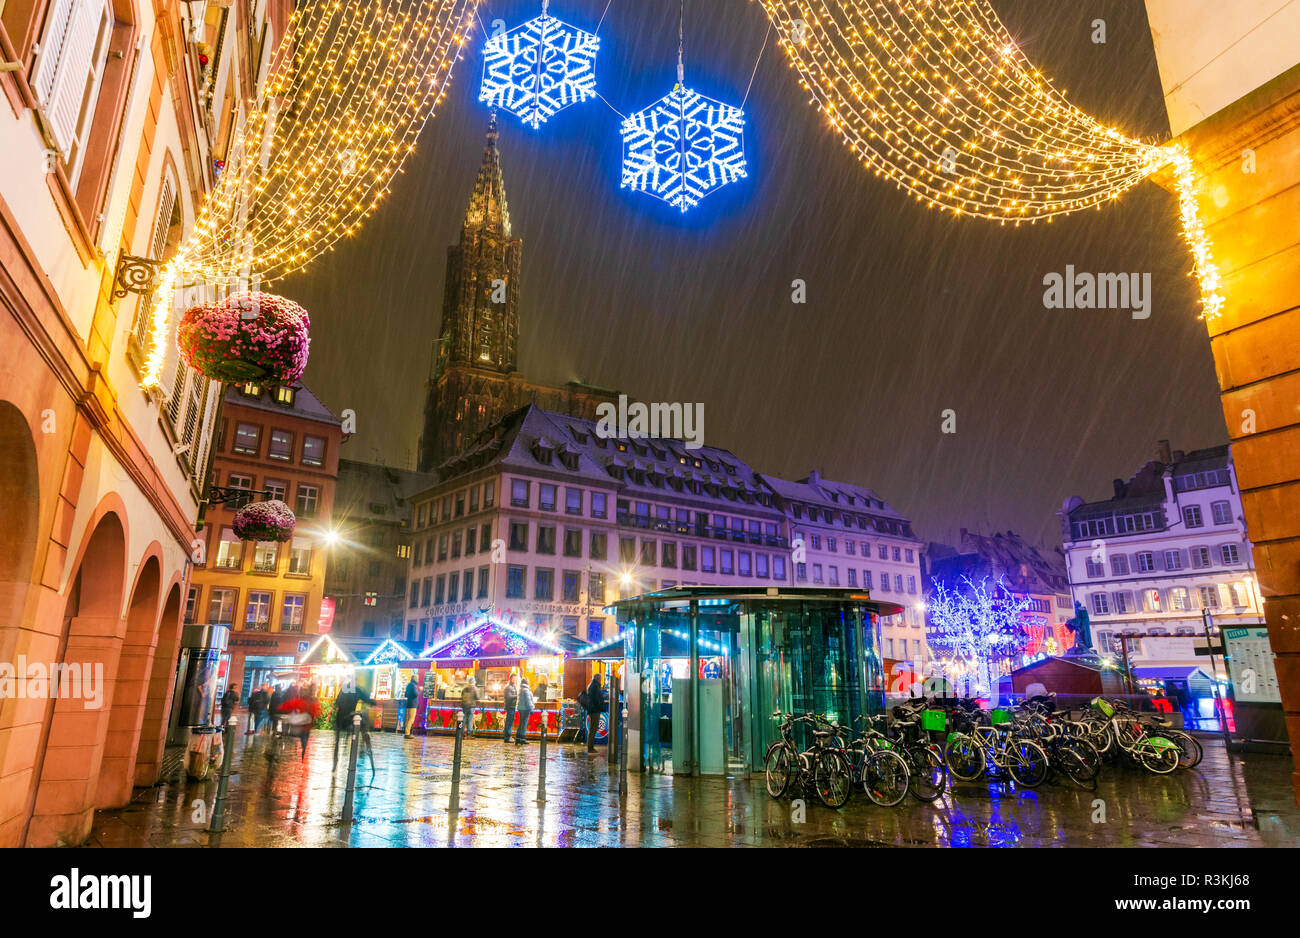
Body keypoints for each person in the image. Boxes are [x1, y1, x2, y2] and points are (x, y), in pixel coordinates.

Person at [333, 680, 377, 767]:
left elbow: (337, 702)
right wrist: (374, 702)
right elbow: (366, 699)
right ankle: (363, 747)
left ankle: (336, 757)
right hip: (349, 718)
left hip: (339, 719)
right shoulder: (356, 690)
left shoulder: (343, 690)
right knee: (363, 721)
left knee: (337, 740)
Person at [584, 674, 606, 754]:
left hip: (592, 710)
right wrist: (601, 706)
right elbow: (597, 699)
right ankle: (590, 748)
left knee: (591, 729)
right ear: (598, 678)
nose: (601, 679)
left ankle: (590, 747)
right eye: (600, 678)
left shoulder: (592, 685)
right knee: (593, 729)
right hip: (595, 710)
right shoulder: (595, 686)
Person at [515, 678, 535, 745]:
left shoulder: (521, 689)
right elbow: (528, 701)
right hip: (525, 709)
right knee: (524, 724)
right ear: (527, 683)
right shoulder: (526, 690)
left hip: (520, 708)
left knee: (521, 723)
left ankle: (518, 738)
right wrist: (531, 708)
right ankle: (522, 739)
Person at [502, 673, 519, 743]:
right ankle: (507, 737)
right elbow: (509, 697)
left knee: (510, 722)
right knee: (509, 722)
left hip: (512, 706)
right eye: (514, 678)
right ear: (511, 678)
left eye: (516, 678)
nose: (515, 680)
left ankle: (508, 736)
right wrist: (517, 696)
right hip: (510, 706)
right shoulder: (508, 687)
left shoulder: (513, 686)